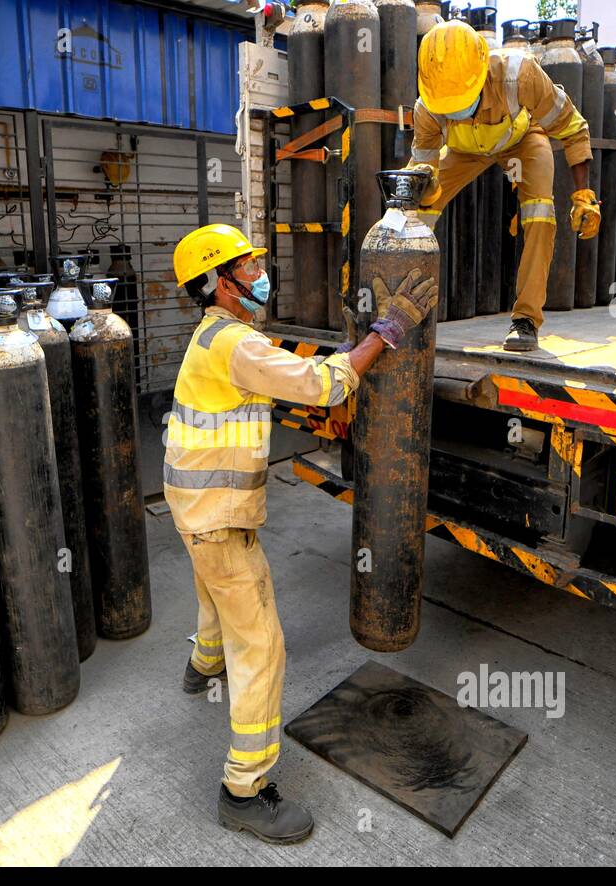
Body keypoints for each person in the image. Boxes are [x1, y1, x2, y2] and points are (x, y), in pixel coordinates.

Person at [165, 223, 437, 844]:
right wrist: (384, 333)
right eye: (248, 265)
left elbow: (286, 384)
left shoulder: (219, 337)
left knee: (213, 595)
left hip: (192, 504)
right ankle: (245, 788)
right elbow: (320, 386)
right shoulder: (234, 343)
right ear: (218, 283)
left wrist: (346, 354)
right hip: (219, 518)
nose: (261, 271)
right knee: (260, 645)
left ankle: (201, 666)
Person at [408, 18, 600, 352]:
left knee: (540, 215)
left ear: (483, 71)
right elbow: (425, 166)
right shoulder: (428, 105)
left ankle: (526, 320)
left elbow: (573, 128)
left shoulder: (520, 74)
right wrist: (425, 198)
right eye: (449, 108)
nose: (458, 112)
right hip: (464, 151)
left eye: (462, 102)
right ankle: (401, 310)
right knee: (412, 211)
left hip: (521, 140)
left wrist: (583, 194)